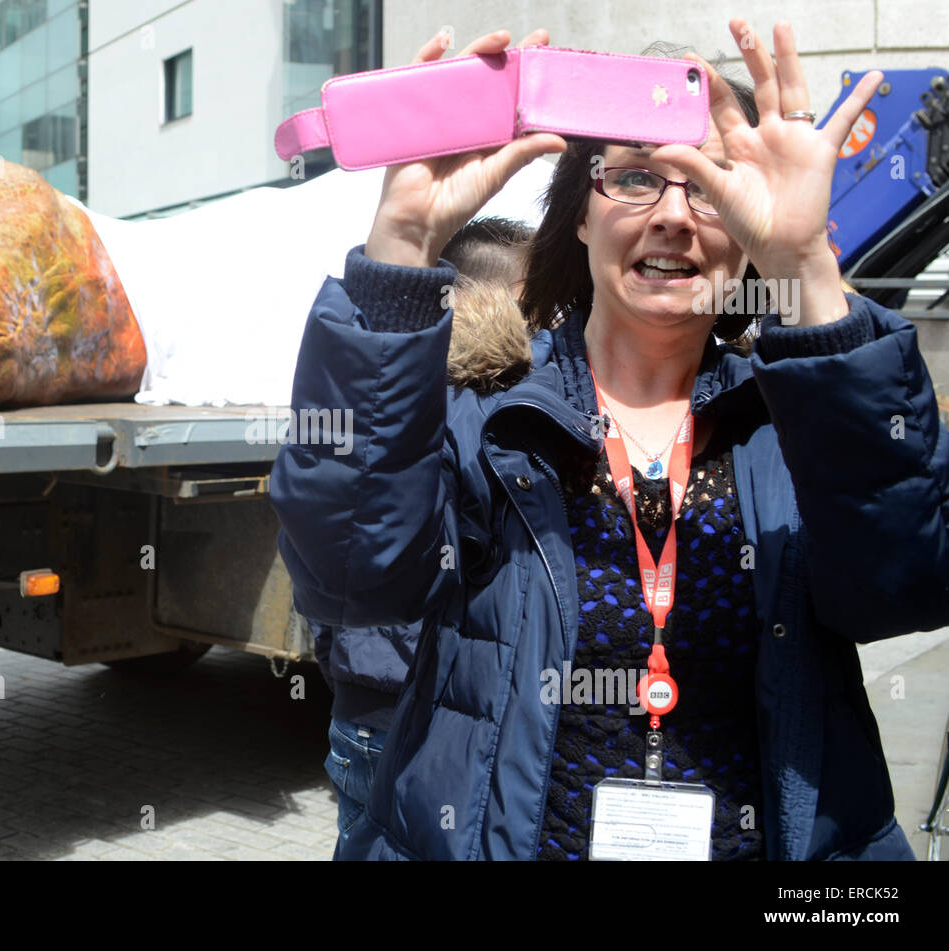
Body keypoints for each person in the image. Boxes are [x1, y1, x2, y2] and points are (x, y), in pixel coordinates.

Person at [273, 18, 949, 860]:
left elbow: (905, 587)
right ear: (582, 218)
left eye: (708, 183)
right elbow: (347, 582)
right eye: (633, 178)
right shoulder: (486, 413)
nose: (672, 214)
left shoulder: (800, 420)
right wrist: (405, 244)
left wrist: (803, 259)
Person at [313, 219, 534, 858]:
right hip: (428, 717)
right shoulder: (496, 409)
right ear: (505, 298)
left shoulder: (386, 393)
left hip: (359, 711)